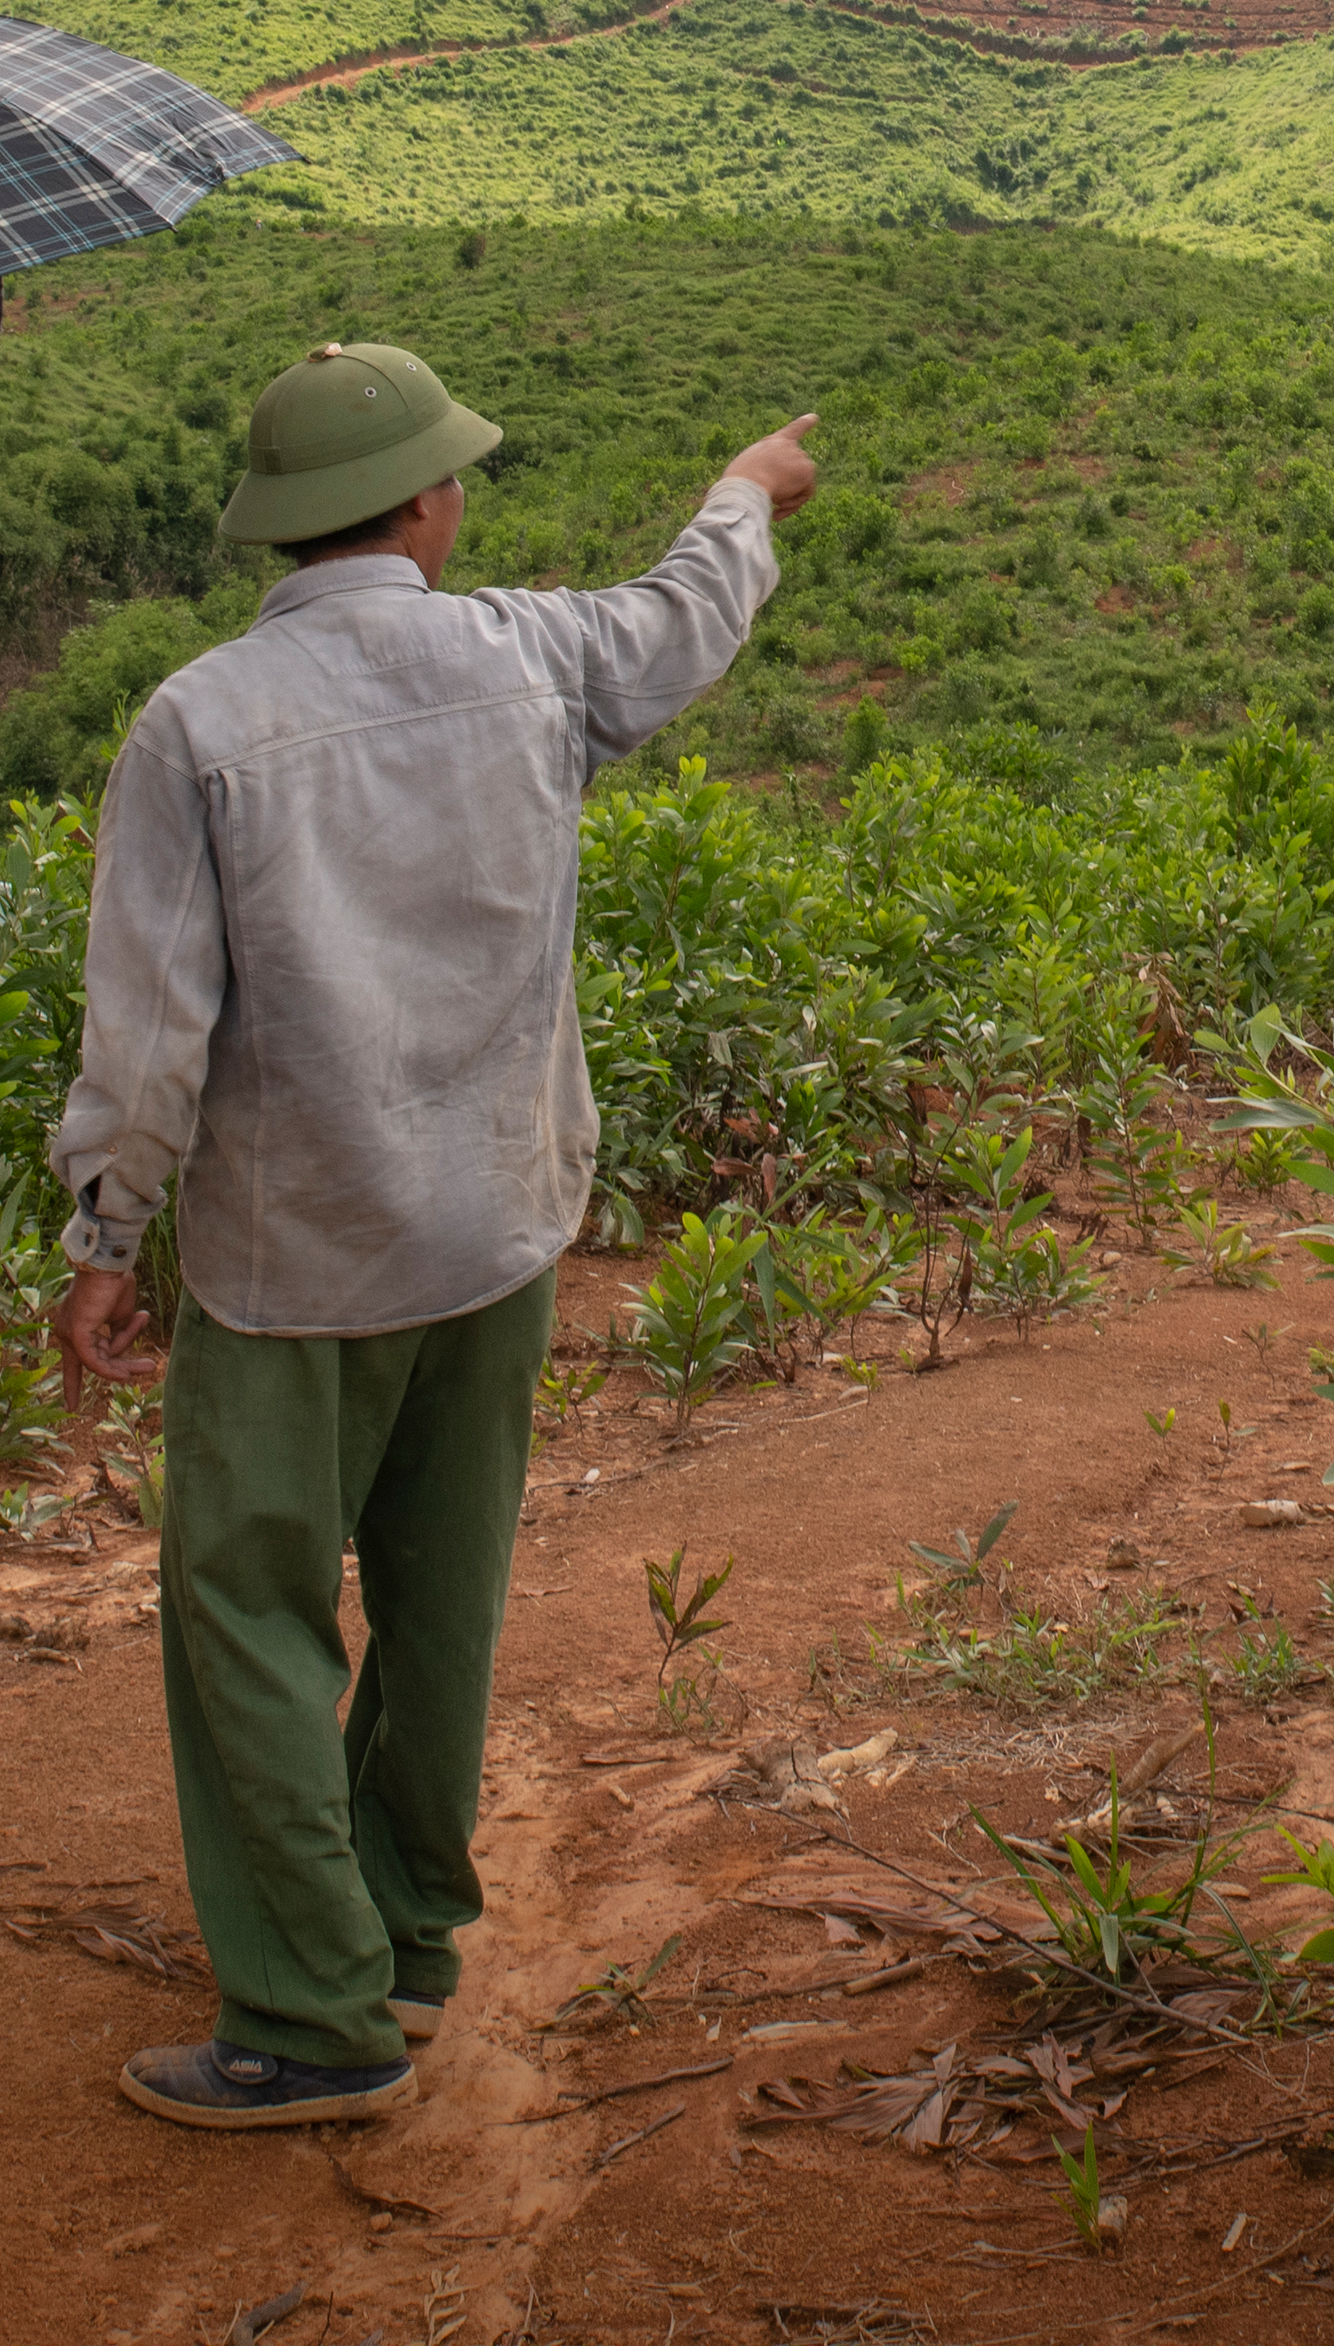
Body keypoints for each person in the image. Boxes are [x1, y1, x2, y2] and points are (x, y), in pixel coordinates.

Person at [49, 340, 815, 2131]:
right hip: (498, 1223)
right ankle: (397, 1936)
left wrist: (107, 1233)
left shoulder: (199, 722)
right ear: (423, 504)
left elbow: (150, 1025)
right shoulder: (531, 658)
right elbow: (683, 617)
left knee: (246, 1605)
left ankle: (309, 2010)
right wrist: (743, 487)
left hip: (291, 1259)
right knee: (439, 1596)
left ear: (282, 525)